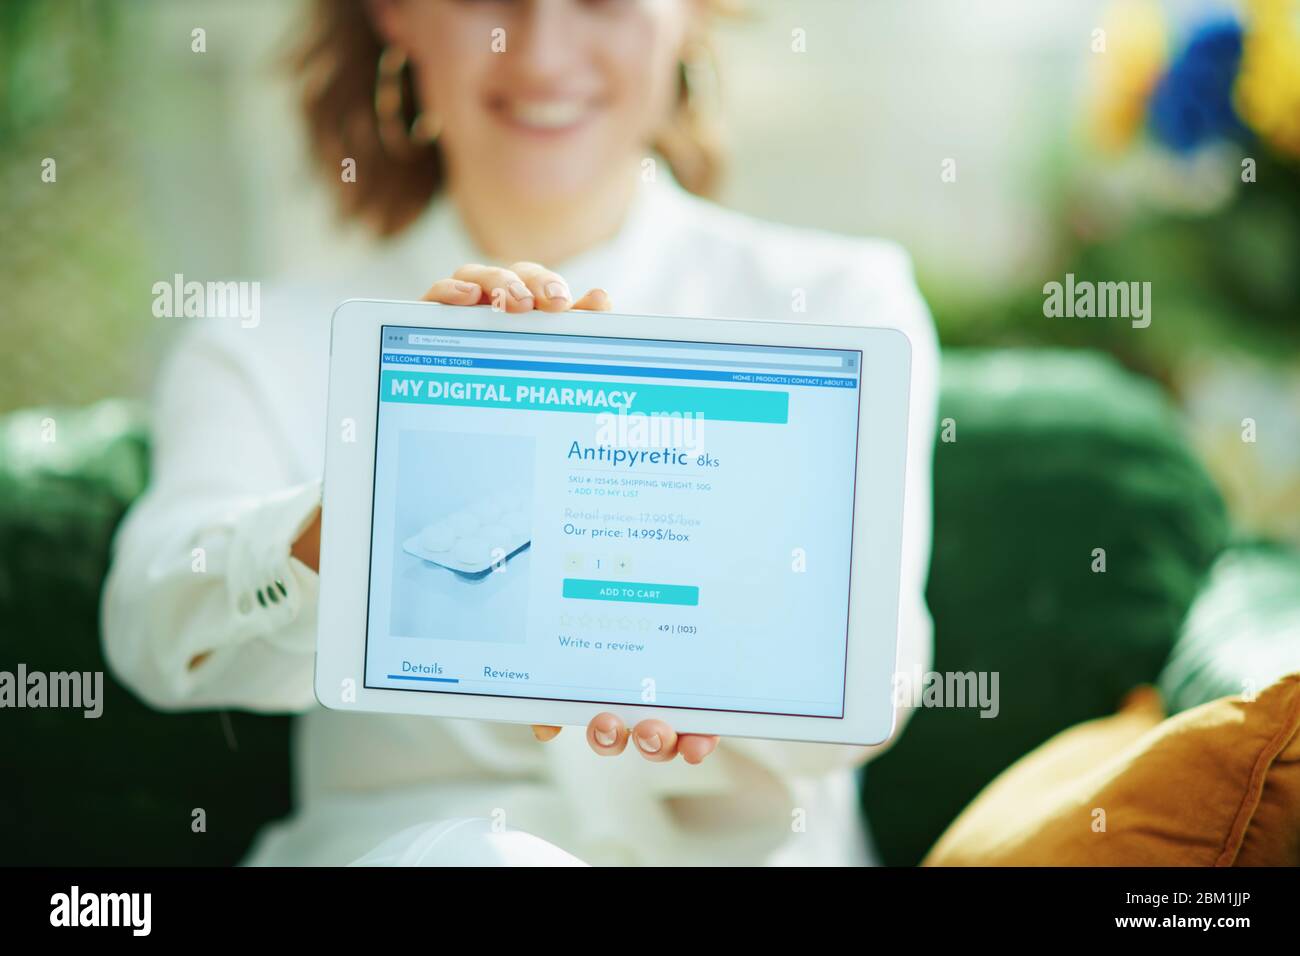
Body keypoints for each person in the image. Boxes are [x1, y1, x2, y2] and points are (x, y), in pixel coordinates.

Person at [102, 0, 938, 866]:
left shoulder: (840, 304)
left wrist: (722, 662)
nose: (540, 55)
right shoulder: (263, 341)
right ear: (395, 15)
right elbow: (154, 632)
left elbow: (874, 686)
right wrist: (358, 517)